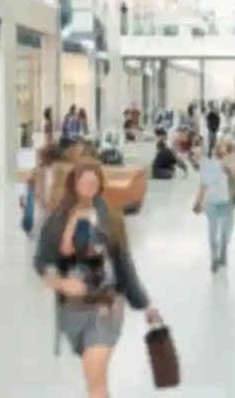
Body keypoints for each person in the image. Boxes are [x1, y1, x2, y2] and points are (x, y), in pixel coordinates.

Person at [34, 164, 161, 398]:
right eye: (84, 183)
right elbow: (44, 262)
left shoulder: (110, 217)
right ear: (73, 185)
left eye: (94, 184)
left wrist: (146, 304)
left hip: (106, 307)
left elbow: (124, 264)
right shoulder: (58, 219)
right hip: (72, 310)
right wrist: (61, 283)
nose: (89, 189)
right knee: (95, 378)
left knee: (96, 380)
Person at [194, 137, 235, 271]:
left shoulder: (220, 166)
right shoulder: (217, 166)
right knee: (220, 231)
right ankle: (218, 257)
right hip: (220, 202)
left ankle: (218, 257)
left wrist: (198, 202)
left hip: (219, 202)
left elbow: (203, 186)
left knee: (218, 231)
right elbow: (203, 185)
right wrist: (198, 202)